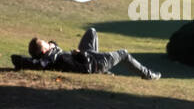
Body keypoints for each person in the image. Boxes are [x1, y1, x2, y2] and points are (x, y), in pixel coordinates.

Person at [14, 28, 161, 79]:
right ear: (45, 50)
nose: (49, 42)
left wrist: (52, 45)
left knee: (91, 32)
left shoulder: (51, 54)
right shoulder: (57, 59)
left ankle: (101, 69)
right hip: (93, 64)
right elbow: (84, 69)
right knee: (123, 53)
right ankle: (148, 75)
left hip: (87, 57)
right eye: (46, 43)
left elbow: (53, 46)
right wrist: (80, 55)